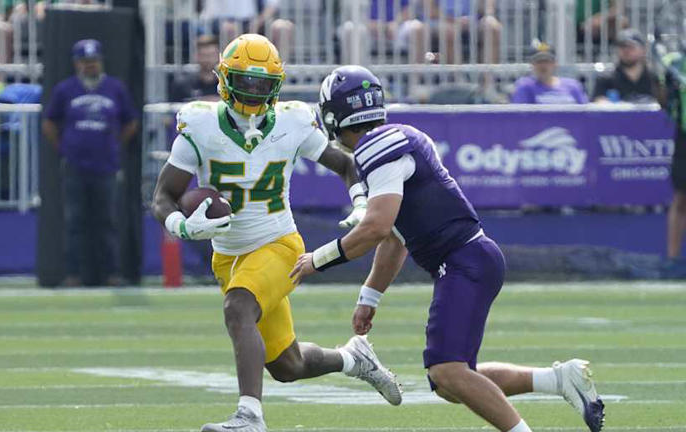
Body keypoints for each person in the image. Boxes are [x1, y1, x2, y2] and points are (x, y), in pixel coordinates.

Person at [291, 65, 605, 432]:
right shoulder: (394, 138)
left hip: (464, 260)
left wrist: (318, 259)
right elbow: (394, 237)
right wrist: (369, 297)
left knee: (448, 371)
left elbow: (375, 227)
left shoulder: (378, 147)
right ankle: (560, 380)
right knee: (449, 381)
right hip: (468, 259)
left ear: (334, 115)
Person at [151, 34, 400, 432]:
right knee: (288, 365)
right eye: (244, 82)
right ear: (224, 79)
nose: (252, 93)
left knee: (238, 308)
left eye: (262, 85)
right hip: (228, 255)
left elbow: (346, 165)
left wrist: (359, 202)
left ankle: (249, 416)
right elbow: (164, 195)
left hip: (279, 245)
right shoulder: (199, 124)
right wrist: (180, 224)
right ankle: (355, 358)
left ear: (277, 86)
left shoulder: (292, 121)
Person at [42, 39, 138, 287]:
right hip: (75, 166)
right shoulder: (66, 89)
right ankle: (73, 274)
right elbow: (49, 122)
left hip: (106, 166)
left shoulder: (114, 88)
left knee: (107, 222)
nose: (90, 66)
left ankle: (112, 273)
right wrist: (63, 147)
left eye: (93, 61)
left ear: (100, 61)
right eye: (85, 62)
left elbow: (131, 121)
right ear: (77, 64)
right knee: (75, 222)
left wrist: (115, 143)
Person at [662, 44, 686, 277]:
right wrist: (669, 84)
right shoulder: (676, 62)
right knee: (680, 198)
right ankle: (673, 259)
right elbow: (665, 103)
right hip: (684, 136)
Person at [592, 29, 665, 104]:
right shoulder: (606, 79)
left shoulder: (653, 79)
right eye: (622, 47)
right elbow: (598, 100)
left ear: (643, 49)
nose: (626, 51)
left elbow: (663, 104)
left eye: (631, 47)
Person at [511, 43, 588, 104]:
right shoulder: (525, 86)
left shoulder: (572, 86)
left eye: (547, 61)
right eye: (539, 62)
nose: (543, 66)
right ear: (532, 65)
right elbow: (520, 115)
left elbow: (584, 111)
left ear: (555, 64)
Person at [169, 35, 220, 102]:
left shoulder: (226, 85)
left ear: (218, 56)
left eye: (211, 55)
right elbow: (175, 110)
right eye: (203, 55)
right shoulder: (182, 85)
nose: (208, 59)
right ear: (196, 56)